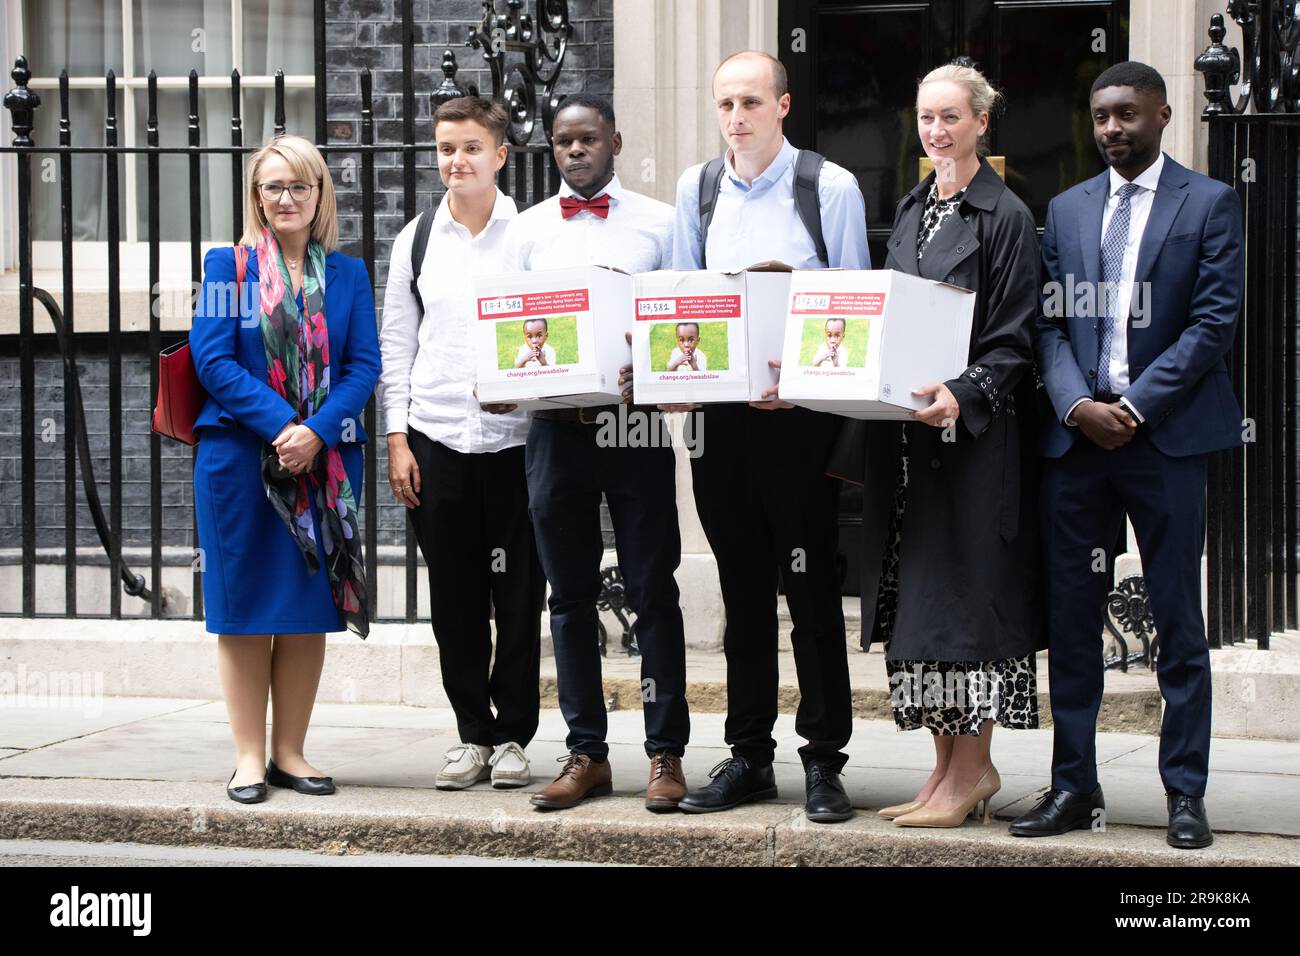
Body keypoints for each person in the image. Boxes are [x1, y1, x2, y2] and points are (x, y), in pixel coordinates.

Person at [1013, 62, 1243, 849]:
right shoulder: (1068, 209)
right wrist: (1078, 404)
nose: (1113, 128)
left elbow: (1213, 325)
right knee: (1072, 622)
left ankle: (1185, 794)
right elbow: (1045, 323)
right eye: (1103, 116)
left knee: (1178, 620)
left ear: (1163, 116)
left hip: (1165, 442)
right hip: (1078, 444)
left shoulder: (1209, 203)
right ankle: (1074, 785)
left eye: (1129, 115)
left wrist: (1136, 407)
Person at [839, 60, 1045, 828]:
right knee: (921, 612)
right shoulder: (914, 205)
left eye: (951, 117)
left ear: (982, 123)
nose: (936, 131)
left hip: (974, 447)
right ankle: (941, 773)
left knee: (967, 612)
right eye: (926, 118)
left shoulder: (1007, 217)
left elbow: (1015, 340)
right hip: (908, 448)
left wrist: (962, 393)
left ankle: (975, 772)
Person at [668, 51, 870, 823]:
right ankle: (749, 755)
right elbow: (681, 302)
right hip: (722, 426)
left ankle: (824, 760)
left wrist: (811, 385)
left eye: (751, 100)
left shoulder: (831, 188)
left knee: (811, 592)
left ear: (783, 106)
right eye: (724, 103)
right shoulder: (699, 189)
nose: (736, 116)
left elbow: (856, 315)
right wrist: (678, 383)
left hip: (802, 425)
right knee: (741, 593)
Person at [501, 94, 690, 813]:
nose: (576, 150)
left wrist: (661, 372)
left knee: (653, 589)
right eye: (562, 141)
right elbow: (513, 327)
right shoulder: (525, 230)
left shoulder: (661, 224)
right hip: (554, 428)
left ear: (615, 137)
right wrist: (501, 383)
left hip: (635, 426)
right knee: (569, 595)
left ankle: (665, 752)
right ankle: (586, 753)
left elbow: (682, 315)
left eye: (588, 138)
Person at [190, 133, 380, 803]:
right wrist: (283, 427)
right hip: (241, 458)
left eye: (301, 185)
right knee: (244, 606)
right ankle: (248, 757)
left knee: (306, 603)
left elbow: (363, 367)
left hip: (323, 462)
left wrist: (316, 434)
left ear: (319, 193)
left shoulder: (349, 275)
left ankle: (290, 753)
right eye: (274, 186)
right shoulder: (226, 268)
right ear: (256, 197)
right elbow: (212, 361)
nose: (287, 197)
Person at [378, 96, 546, 792]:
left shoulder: (534, 237)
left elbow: (556, 334)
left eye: (471, 148)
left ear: (500, 155)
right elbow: (396, 343)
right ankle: (471, 734)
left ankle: (514, 737)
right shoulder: (416, 240)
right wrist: (396, 437)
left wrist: (530, 398)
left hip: (517, 444)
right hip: (436, 440)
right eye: (446, 148)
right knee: (454, 601)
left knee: (518, 598)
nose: (456, 161)